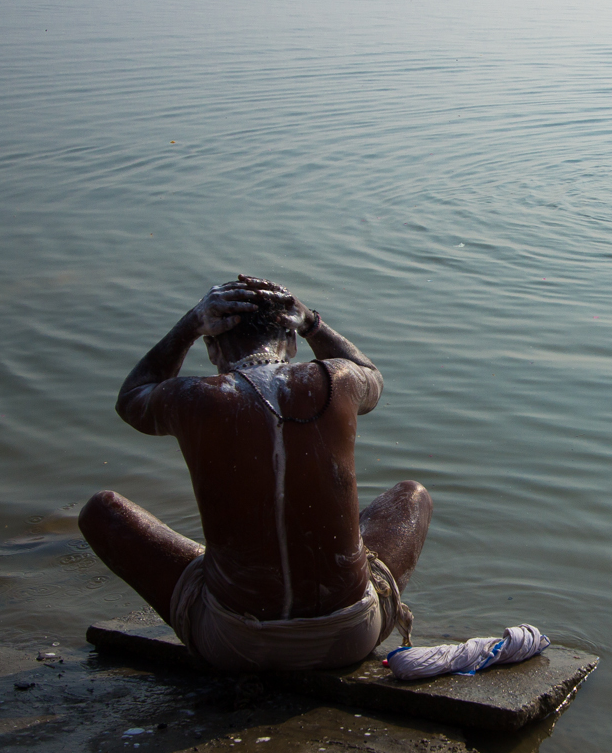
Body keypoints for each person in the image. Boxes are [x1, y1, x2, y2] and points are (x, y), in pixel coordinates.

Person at [79, 275, 431, 672]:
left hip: (236, 642)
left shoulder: (191, 396)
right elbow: (373, 377)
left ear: (212, 348)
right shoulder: (338, 380)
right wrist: (313, 321)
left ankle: (223, 576)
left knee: (101, 510)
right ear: (292, 340)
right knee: (411, 495)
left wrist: (189, 325)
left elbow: (131, 399)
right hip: (350, 634)